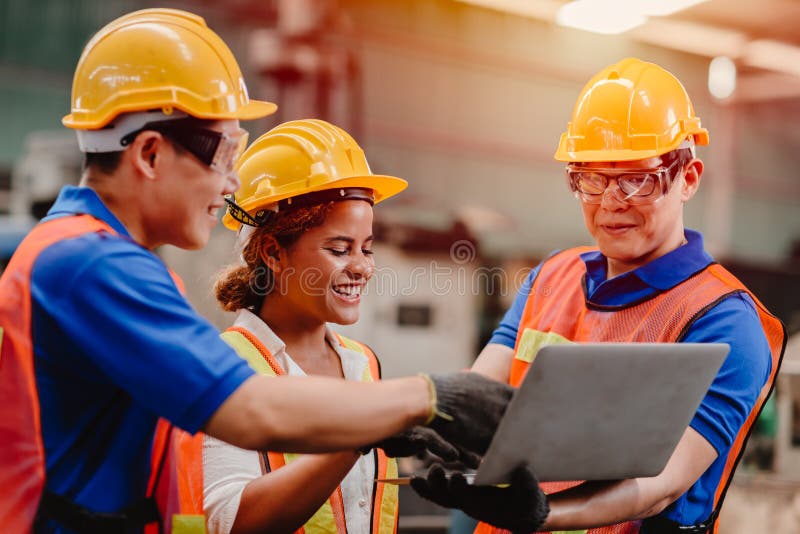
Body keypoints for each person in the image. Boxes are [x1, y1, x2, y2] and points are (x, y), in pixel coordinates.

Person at [0, 9, 516, 533]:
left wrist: (384, 415)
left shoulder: (99, 259)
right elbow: (247, 409)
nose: (230, 185)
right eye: (222, 153)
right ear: (150, 154)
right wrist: (428, 398)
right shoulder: (93, 265)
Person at [411, 58, 786, 534]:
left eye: (638, 179)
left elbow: (664, 484)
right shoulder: (552, 275)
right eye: (592, 178)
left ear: (687, 178)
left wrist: (545, 515)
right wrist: (432, 417)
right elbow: (480, 388)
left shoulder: (722, 319)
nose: (611, 201)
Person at [202, 118, 409, 533]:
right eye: (339, 248)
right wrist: (361, 431)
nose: (363, 268)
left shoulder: (363, 364)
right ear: (274, 252)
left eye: (366, 249)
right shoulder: (221, 365)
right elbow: (230, 522)